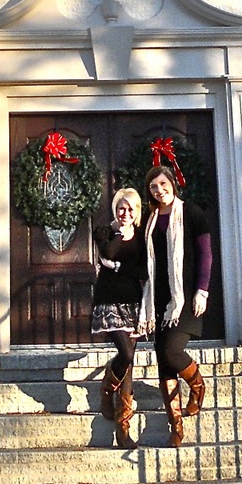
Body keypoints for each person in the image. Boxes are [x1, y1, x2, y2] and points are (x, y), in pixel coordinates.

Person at [139, 164, 211, 446]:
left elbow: (205, 254)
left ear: (172, 183)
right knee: (164, 364)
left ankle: (198, 384)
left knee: (172, 351)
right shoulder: (150, 218)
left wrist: (202, 291)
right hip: (158, 299)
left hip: (185, 298)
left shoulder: (192, 212)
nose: (159, 190)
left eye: (163, 184)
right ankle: (176, 427)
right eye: (153, 187)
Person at [91, 186, 145, 445]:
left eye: (130, 209)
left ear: (136, 211)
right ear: (115, 209)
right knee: (126, 354)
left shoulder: (142, 236)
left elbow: (143, 268)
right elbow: (108, 254)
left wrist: (120, 268)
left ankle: (123, 428)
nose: (125, 213)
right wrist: (121, 235)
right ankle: (106, 389)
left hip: (133, 302)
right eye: (121, 208)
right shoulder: (105, 231)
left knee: (130, 361)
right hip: (108, 300)